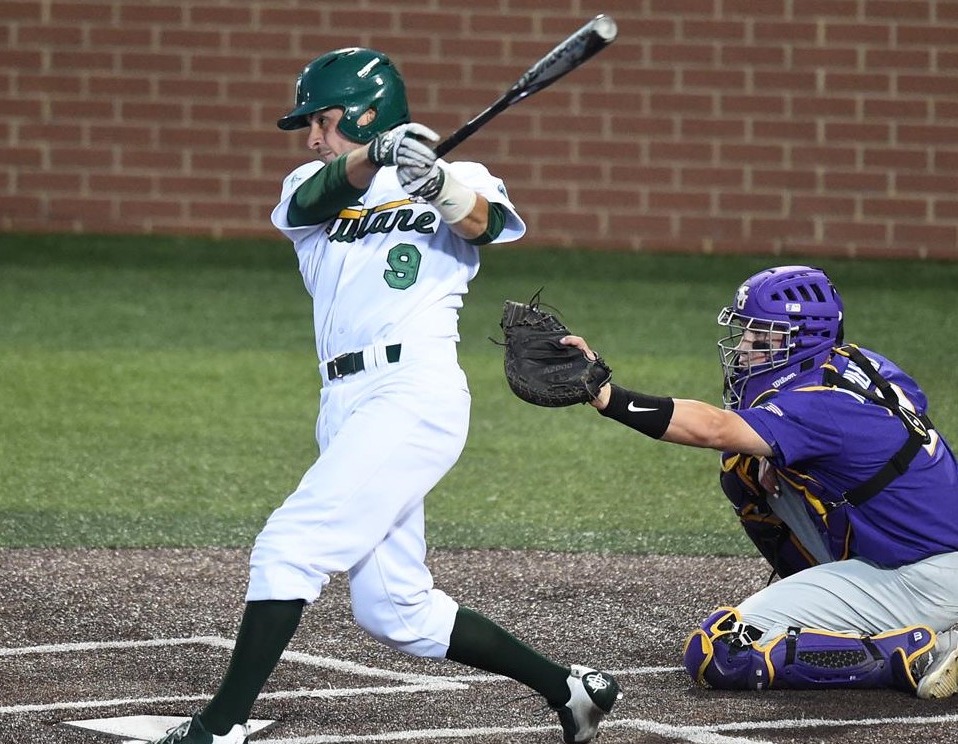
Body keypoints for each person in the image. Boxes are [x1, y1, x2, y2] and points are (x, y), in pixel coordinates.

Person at [149, 47, 621, 744]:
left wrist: (437, 185)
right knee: (394, 609)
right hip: (342, 401)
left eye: (325, 121)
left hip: (414, 392)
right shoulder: (310, 184)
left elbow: (484, 223)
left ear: (370, 113)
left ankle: (219, 727)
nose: (312, 137)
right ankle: (572, 689)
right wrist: (373, 157)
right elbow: (316, 196)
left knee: (290, 545)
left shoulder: (461, 176)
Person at [561, 264, 958, 698]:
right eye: (747, 334)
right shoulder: (860, 363)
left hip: (922, 578)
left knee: (723, 651)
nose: (745, 349)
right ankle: (872, 611)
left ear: (802, 340)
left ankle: (916, 651)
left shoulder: (819, 410)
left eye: (761, 337)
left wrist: (606, 397)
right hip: (930, 558)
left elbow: (714, 428)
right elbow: (908, 405)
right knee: (747, 464)